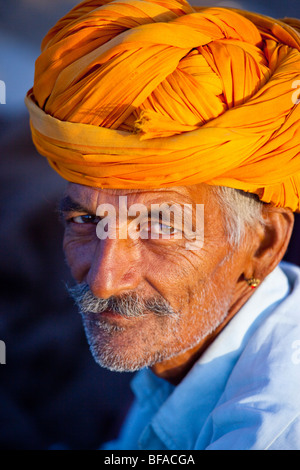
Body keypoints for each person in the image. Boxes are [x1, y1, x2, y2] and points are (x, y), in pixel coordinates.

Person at [25, 0, 300, 450]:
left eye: (158, 225)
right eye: (84, 219)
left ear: (263, 245)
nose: (102, 280)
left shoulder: (271, 433)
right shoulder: (182, 350)